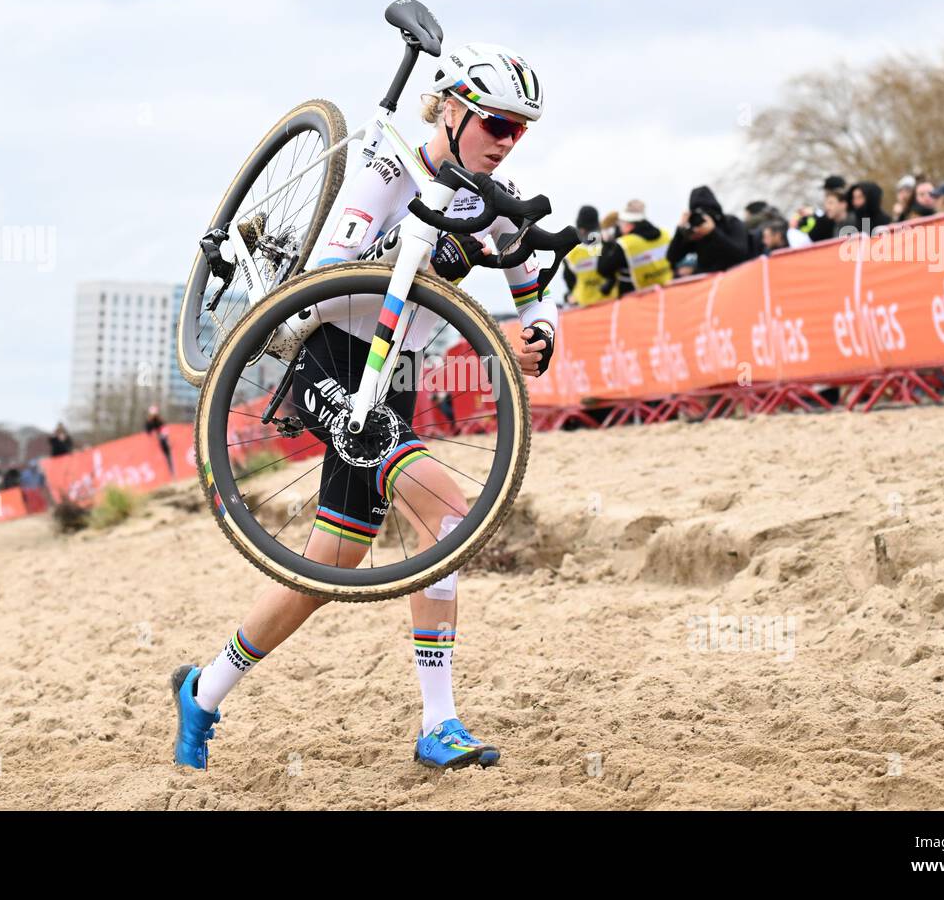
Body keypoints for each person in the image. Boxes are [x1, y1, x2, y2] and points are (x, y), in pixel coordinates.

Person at [172, 42, 558, 773]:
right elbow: (325, 282)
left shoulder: (493, 203)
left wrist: (541, 333)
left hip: (395, 378)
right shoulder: (388, 171)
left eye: (521, 130)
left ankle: (204, 689)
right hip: (336, 362)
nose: (509, 141)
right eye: (498, 124)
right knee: (446, 513)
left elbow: (536, 291)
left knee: (330, 565)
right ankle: (439, 722)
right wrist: (418, 254)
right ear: (450, 108)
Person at [667, 186, 756, 277]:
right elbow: (672, 257)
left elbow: (741, 254)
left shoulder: (731, 222)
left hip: (736, 277)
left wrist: (713, 232)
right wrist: (680, 231)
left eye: (705, 211)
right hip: (709, 281)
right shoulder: (696, 231)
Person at [597, 199, 671, 297]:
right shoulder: (665, 235)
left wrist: (606, 243)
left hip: (638, 299)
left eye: (621, 223)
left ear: (629, 226)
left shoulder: (625, 245)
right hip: (667, 293)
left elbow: (603, 269)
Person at [561, 205, 611, 307]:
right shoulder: (610, 246)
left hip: (585, 307)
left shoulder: (571, 254)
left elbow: (570, 283)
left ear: (581, 229)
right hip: (611, 304)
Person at [145, 405, 174, 475]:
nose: (154, 416)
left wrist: (163, 436)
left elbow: (164, 429)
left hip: (162, 441)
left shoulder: (160, 420)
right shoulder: (148, 422)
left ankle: (170, 471)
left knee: (167, 455)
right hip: (153, 443)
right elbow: (148, 432)